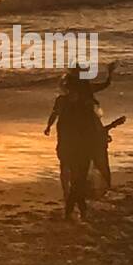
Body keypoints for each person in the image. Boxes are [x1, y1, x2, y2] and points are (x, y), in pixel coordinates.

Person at [54, 75, 103, 219]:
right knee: (79, 181)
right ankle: (77, 211)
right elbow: (90, 128)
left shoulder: (65, 105)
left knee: (78, 181)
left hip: (71, 146)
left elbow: (62, 128)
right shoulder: (84, 106)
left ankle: (77, 210)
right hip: (80, 147)